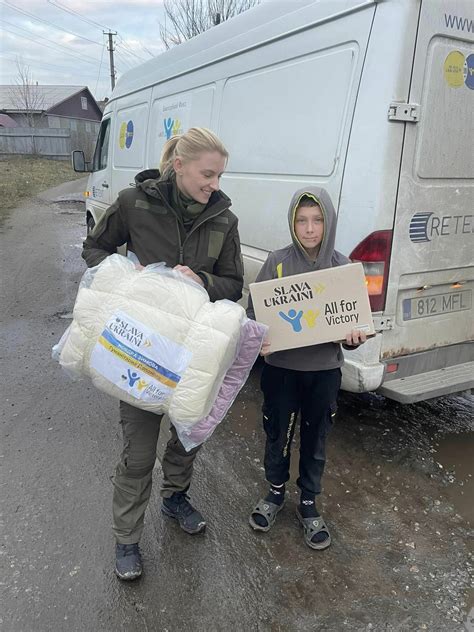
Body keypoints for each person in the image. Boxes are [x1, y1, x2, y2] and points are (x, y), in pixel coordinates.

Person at [82, 127, 244, 580]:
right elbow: (94, 247)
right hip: (141, 350)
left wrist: (204, 283)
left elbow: (234, 285)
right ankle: (127, 539)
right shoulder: (135, 202)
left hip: (193, 356)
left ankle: (175, 497)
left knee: (188, 434)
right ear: (179, 166)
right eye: (207, 174)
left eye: (218, 175)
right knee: (137, 453)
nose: (214, 184)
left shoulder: (224, 220)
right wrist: (125, 273)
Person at [246, 187, 366, 550]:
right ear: (292, 223)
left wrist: (355, 338)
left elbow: (353, 323)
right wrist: (258, 336)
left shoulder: (343, 269)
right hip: (281, 370)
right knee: (277, 433)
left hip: (323, 372)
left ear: (328, 222)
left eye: (317, 220)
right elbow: (254, 313)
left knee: (316, 441)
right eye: (302, 220)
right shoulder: (277, 262)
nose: (309, 229)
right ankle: (275, 492)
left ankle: (309, 504)